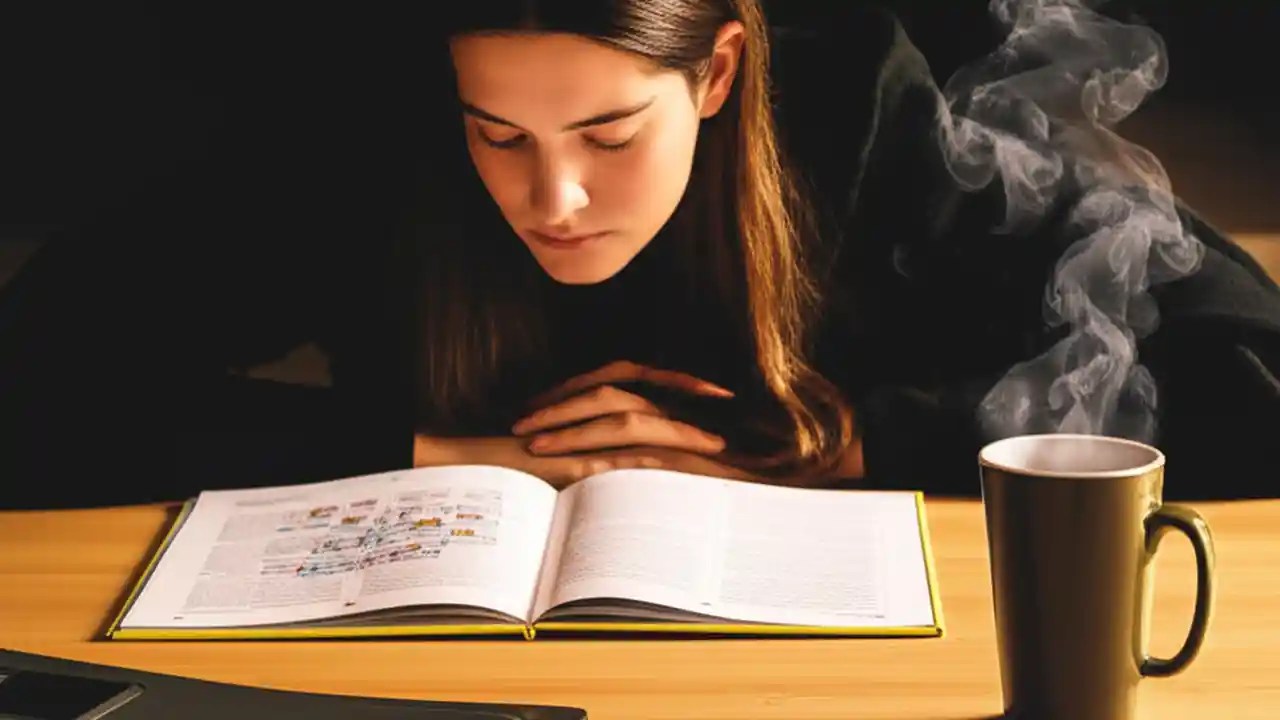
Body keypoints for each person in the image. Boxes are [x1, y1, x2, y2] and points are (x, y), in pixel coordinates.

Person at [1, 1, 1278, 508]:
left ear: (716, 69)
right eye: (494, 134)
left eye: (608, 131)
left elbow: (1254, 379)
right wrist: (437, 455)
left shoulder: (845, 108)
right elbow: (36, 384)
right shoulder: (366, 130)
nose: (549, 198)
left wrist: (857, 444)